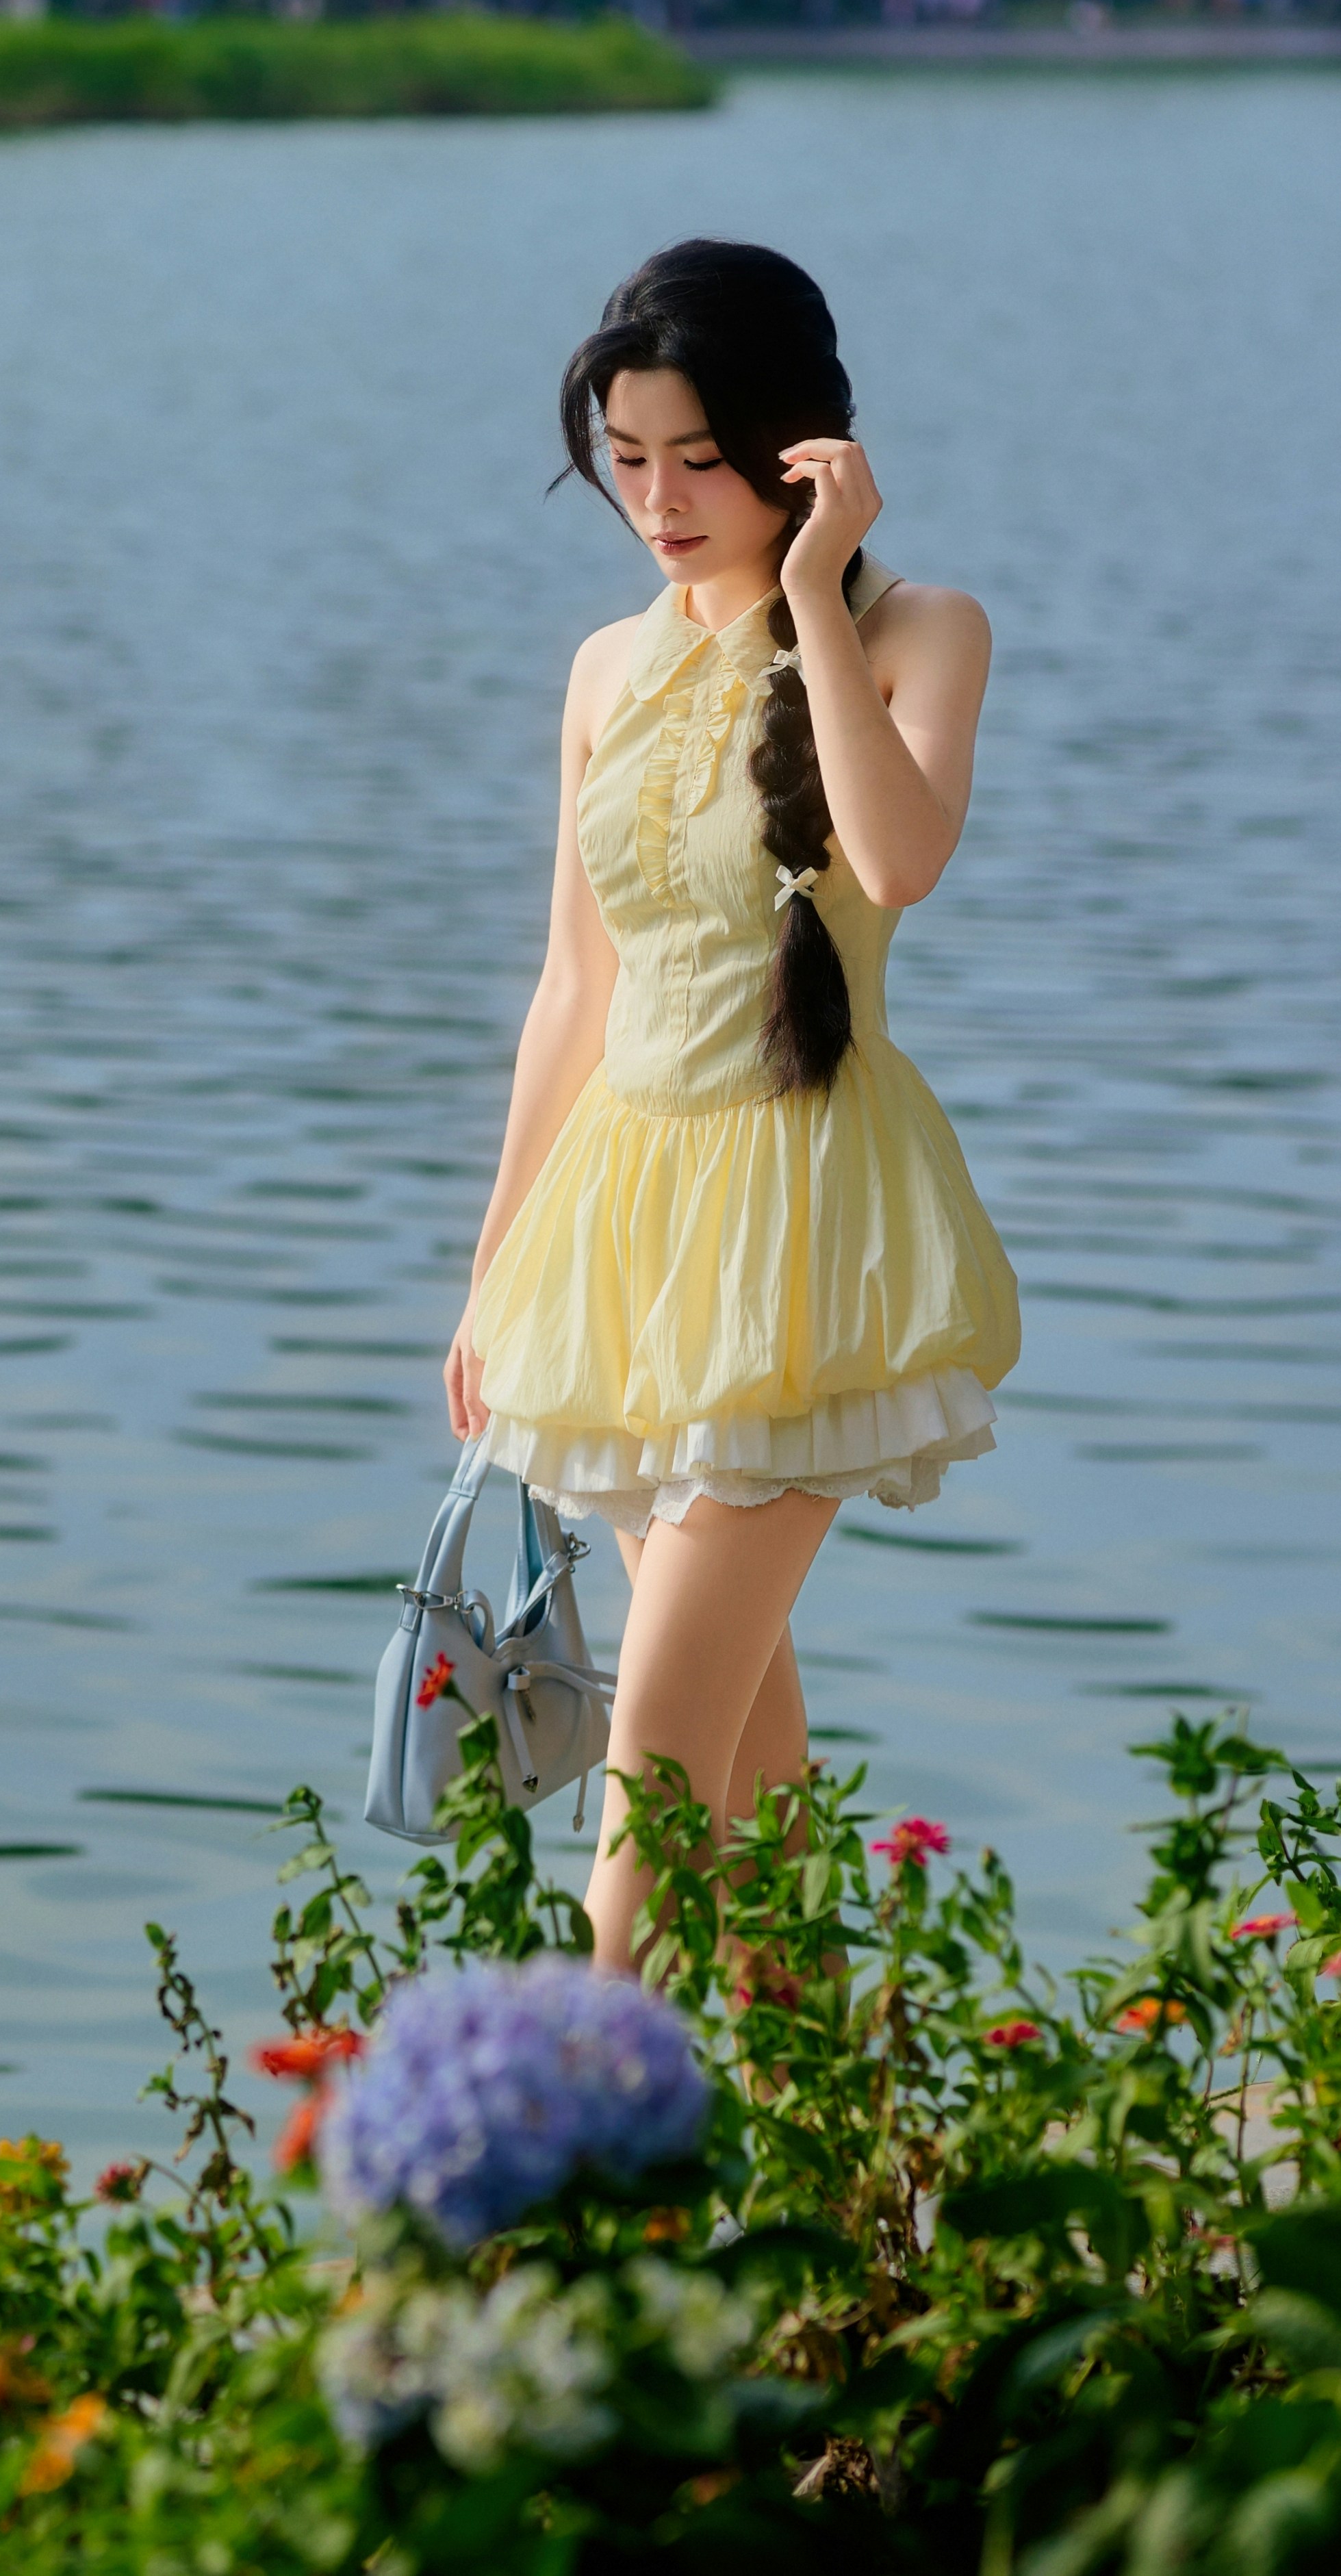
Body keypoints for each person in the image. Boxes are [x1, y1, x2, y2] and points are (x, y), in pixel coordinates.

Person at [444, 240, 1017, 1972]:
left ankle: (571, 2152)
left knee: (655, 1772)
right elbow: (572, 987)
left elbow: (900, 859)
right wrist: (491, 1268)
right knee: (752, 1804)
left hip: (803, 1233)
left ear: (792, 443)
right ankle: (841, 2168)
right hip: (620, 1235)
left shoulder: (921, 628)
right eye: (626, 458)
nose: (657, 499)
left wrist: (820, 588)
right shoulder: (605, 669)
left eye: (695, 457)